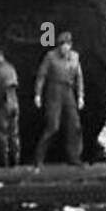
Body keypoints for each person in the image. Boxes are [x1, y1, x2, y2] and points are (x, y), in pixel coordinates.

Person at [33, 29, 85, 166]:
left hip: (68, 91)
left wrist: (80, 96)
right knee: (53, 126)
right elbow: (41, 76)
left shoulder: (75, 57)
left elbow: (79, 78)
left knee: (75, 125)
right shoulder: (50, 57)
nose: (64, 48)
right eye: (62, 45)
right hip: (54, 92)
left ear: (70, 45)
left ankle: (74, 157)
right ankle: (39, 158)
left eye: (66, 45)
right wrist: (38, 94)